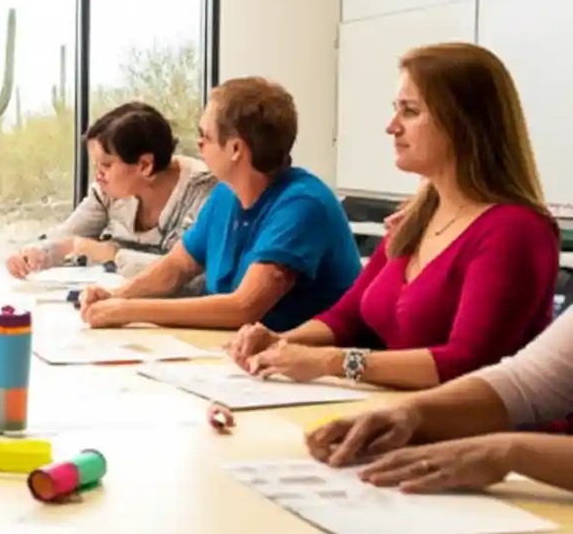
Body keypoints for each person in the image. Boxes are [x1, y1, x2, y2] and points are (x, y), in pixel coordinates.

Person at [228, 43, 557, 389]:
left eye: (410, 111)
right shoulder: (417, 217)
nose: (391, 126)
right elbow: (347, 317)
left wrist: (331, 362)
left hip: (481, 436)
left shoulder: (515, 231)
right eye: (395, 109)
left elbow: (467, 362)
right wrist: (281, 342)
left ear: (465, 124)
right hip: (402, 413)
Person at [78, 76, 360, 332]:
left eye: (206, 136)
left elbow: (243, 308)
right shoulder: (226, 194)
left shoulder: (302, 204)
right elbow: (177, 266)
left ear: (235, 149)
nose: (199, 145)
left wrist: (129, 310)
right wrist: (116, 296)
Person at [305, 307, 573, 494]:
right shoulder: (408, 231)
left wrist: (513, 452)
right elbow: (525, 381)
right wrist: (413, 412)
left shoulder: (513, 228)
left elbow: (461, 360)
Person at [6, 102, 216, 281]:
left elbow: (188, 276)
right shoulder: (107, 192)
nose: (98, 175)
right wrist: (35, 252)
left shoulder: (204, 194)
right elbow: (68, 236)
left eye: (106, 165)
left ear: (145, 165)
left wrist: (110, 253)